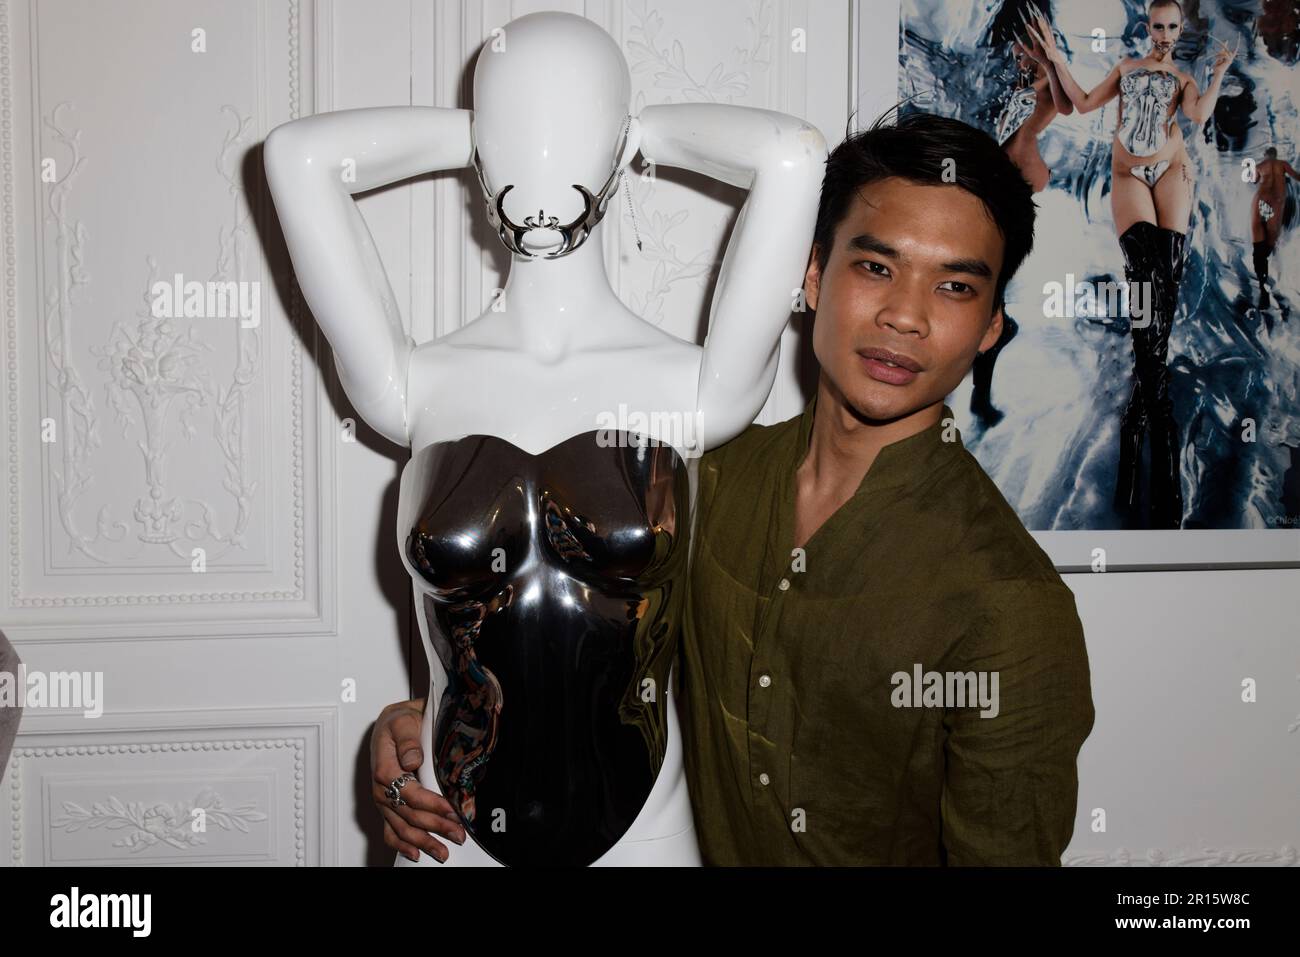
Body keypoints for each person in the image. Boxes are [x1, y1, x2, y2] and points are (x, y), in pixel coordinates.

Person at [372, 111, 1096, 866]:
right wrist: (419, 725)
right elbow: (612, 665)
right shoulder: (700, 481)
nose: (903, 316)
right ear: (813, 276)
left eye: (953, 286)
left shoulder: (1007, 601)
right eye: (876, 267)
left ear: (990, 328)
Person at [266, 11, 825, 867]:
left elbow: (791, 156)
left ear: (615, 144)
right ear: (481, 149)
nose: (540, 164)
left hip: (644, 831)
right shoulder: (416, 382)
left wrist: (638, 137)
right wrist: (474, 139)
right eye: (513, 133)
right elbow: (297, 159)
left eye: (570, 131)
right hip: (453, 835)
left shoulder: (691, 388)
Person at [1029, 0, 1234, 529]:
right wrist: (1054, 58)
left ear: (1180, 30)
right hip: (1128, 173)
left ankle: (1141, 412)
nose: (1165, 34)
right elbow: (1080, 101)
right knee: (1143, 274)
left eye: (1172, 27)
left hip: (1172, 169)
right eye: (1158, 26)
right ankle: (1155, 415)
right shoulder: (1126, 69)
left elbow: (1198, 116)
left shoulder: (1184, 77)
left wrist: (1215, 75)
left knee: (1165, 278)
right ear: (1147, 28)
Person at [972, 9, 1074, 427]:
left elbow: (1066, 106)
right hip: (1003, 187)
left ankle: (983, 379)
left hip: (1016, 184)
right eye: (1017, 44)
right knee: (989, 285)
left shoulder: (1047, 86)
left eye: (1028, 45)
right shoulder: (1006, 81)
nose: (1020, 54)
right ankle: (985, 370)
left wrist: (1051, 61)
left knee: (990, 284)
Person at [1251, 146, 1298, 309]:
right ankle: (1275, 282)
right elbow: (1296, 176)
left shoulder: (1260, 166)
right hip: (1276, 203)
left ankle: (1262, 287)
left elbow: (1253, 180)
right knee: (1270, 245)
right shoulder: (1282, 164)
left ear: (1265, 155)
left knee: (1258, 249)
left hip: (1260, 202)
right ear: (1276, 155)